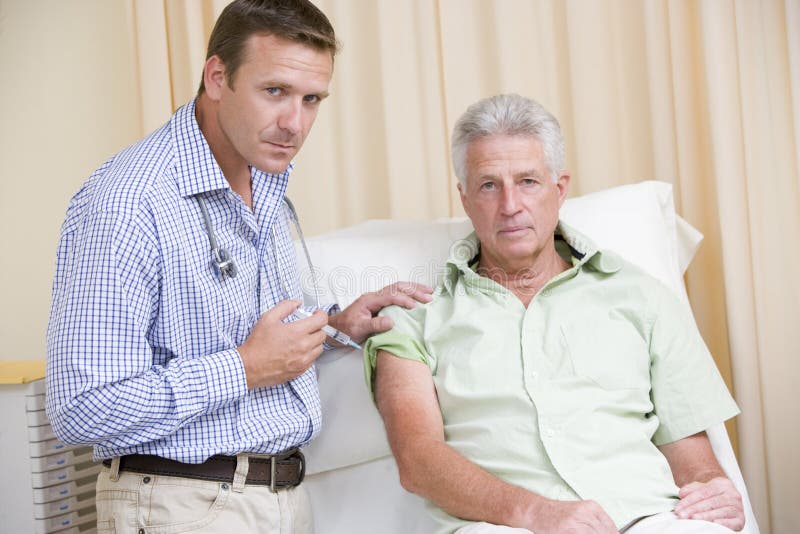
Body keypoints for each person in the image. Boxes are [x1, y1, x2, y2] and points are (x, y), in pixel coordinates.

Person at [46, 1, 431, 532]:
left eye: (311, 99)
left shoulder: (264, 178)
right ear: (218, 76)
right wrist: (245, 368)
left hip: (280, 499)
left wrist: (334, 328)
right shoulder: (125, 202)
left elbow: (242, 333)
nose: (294, 123)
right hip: (180, 507)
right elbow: (81, 409)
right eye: (274, 91)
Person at [364, 94, 745, 534]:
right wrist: (534, 513)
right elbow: (418, 461)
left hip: (649, 519)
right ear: (465, 198)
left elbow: (693, 460)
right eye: (489, 185)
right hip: (503, 527)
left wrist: (712, 488)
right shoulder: (411, 318)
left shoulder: (643, 297)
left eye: (527, 181)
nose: (510, 205)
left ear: (559, 189)